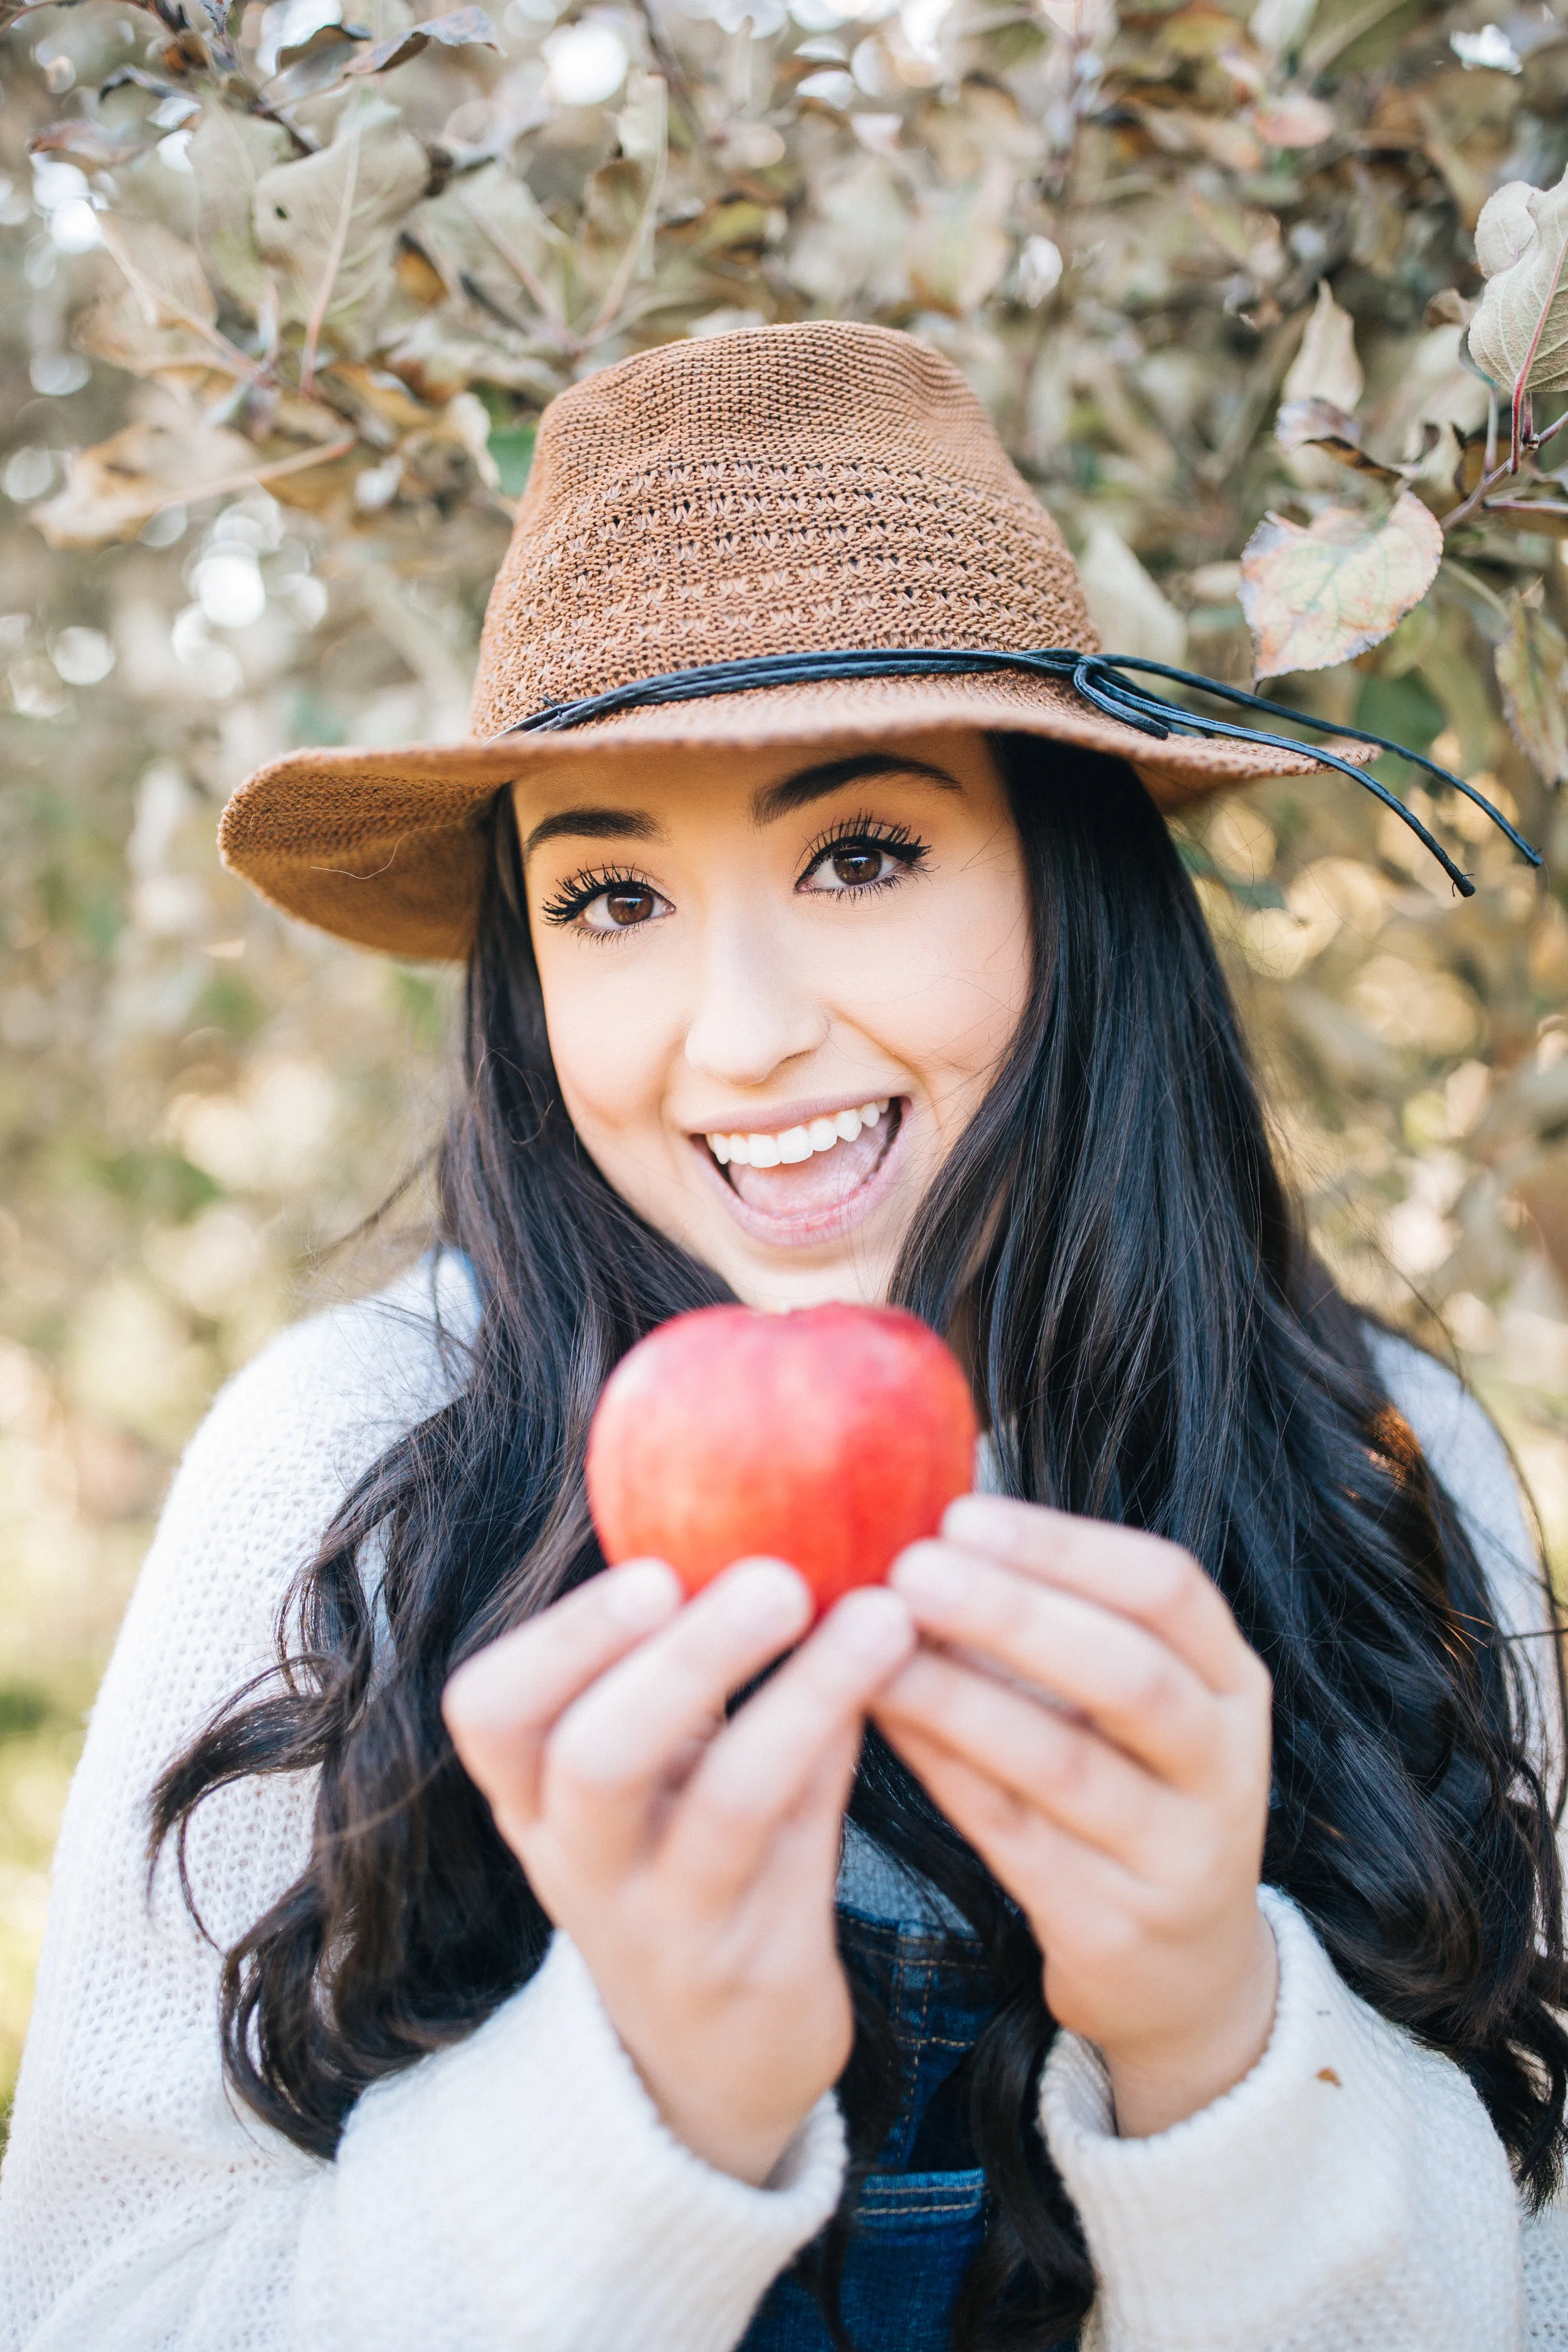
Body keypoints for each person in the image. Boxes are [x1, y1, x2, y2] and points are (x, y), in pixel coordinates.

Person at [1, 320, 1564, 2352]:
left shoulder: (1372, 1457)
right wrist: (638, 2102)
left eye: (861, 853)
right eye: (609, 897)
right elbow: (96, 2302)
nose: (739, 1035)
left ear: (1065, 876)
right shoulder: (355, 1453)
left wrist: (1210, 2028)